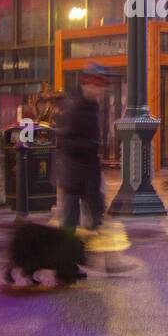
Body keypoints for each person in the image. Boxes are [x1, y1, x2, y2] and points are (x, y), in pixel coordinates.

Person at [55, 63, 108, 233]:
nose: (100, 91)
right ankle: (66, 253)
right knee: (70, 222)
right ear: (86, 84)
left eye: (102, 86)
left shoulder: (92, 107)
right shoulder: (75, 107)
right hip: (74, 175)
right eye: (96, 85)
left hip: (87, 174)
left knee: (95, 217)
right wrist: (89, 146)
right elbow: (64, 140)